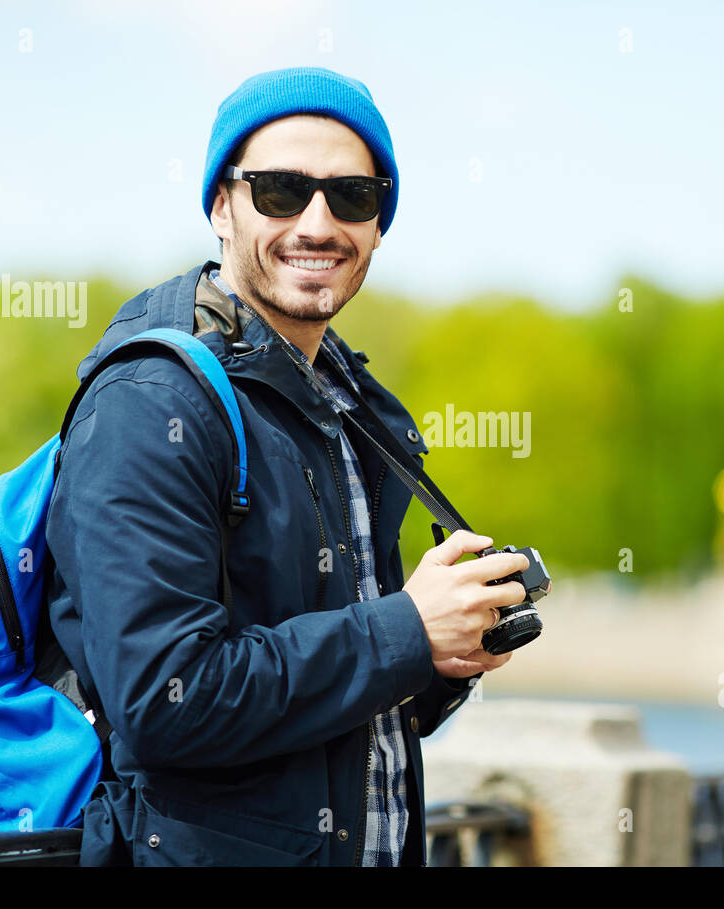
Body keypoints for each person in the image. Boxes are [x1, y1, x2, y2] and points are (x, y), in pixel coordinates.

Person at [45, 66, 529, 866]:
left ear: (379, 224)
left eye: (352, 197)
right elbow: (166, 700)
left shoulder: (347, 408)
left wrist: (442, 654)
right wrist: (405, 629)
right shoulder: (149, 402)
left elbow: (337, 703)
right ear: (220, 208)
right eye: (279, 191)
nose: (317, 222)